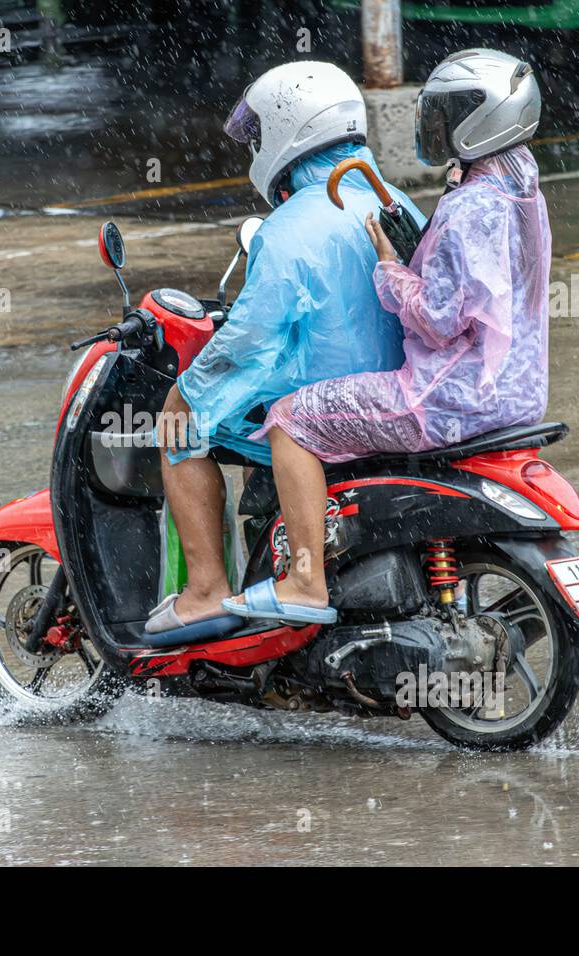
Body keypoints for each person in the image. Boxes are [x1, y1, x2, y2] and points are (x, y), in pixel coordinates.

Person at [223, 48, 551, 624]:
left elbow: (439, 319)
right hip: (512, 392)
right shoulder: (519, 186)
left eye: (451, 113)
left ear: (483, 119)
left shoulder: (469, 206)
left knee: (290, 419)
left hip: (447, 398)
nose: (437, 125)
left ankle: (304, 580)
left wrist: (389, 267)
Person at [145, 61, 426, 634]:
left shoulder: (290, 226)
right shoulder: (397, 202)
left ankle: (205, 591)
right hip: (399, 396)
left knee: (182, 433)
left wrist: (186, 392)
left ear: (285, 131)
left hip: (326, 404)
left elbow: (252, 341)